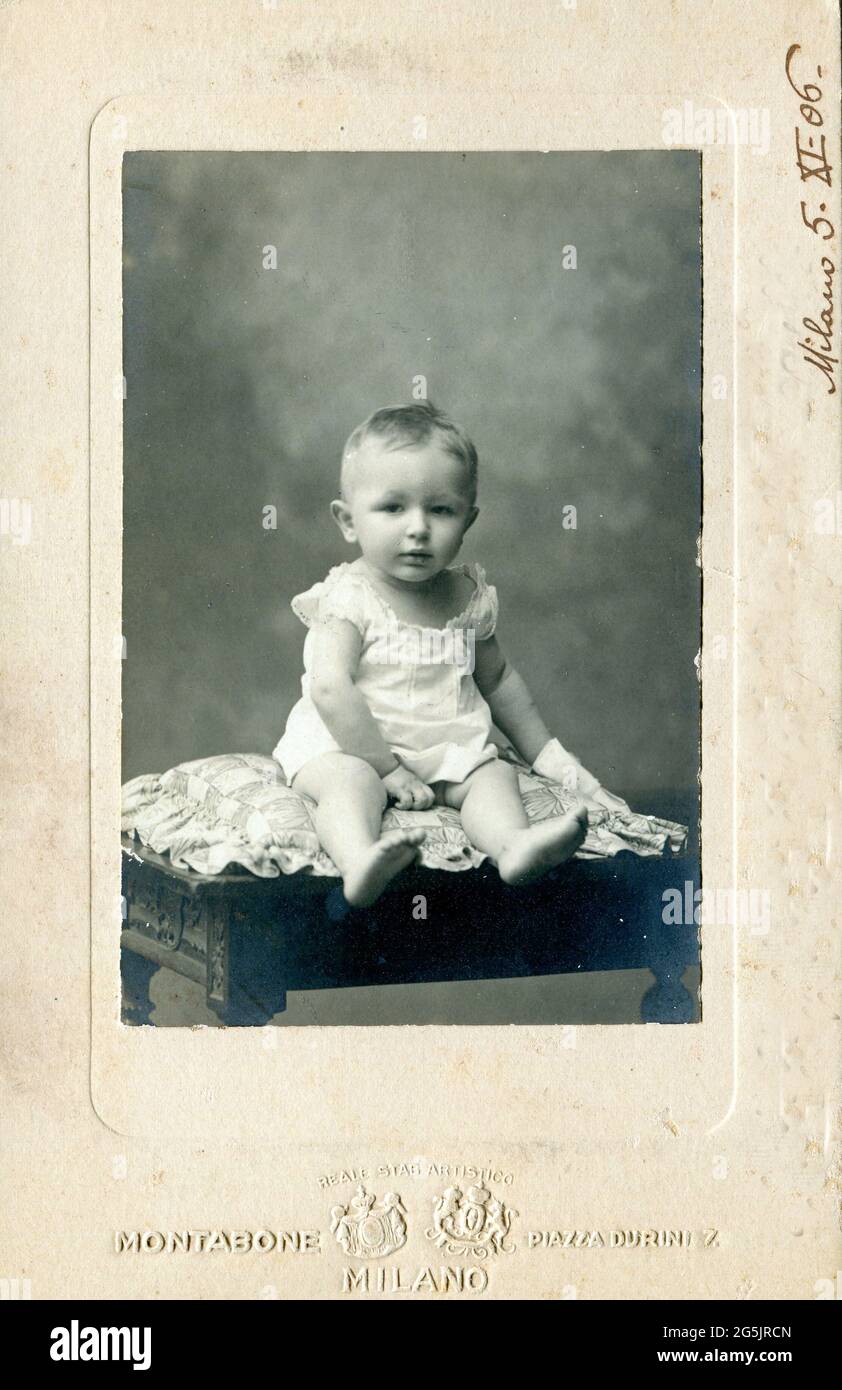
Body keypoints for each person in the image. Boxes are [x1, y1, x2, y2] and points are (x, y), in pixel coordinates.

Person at [273, 401, 626, 907]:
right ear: (348, 521)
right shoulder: (347, 598)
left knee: (493, 777)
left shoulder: (465, 597)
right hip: (350, 745)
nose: (418, 528)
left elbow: (499, 681)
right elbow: (331, 687)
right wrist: (388, 769)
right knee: (350, 786)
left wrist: (550, 758)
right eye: (393, 508)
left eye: (440, 510)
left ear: (468, 519)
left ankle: (514, 846)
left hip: (445, 745)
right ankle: (359, 862)